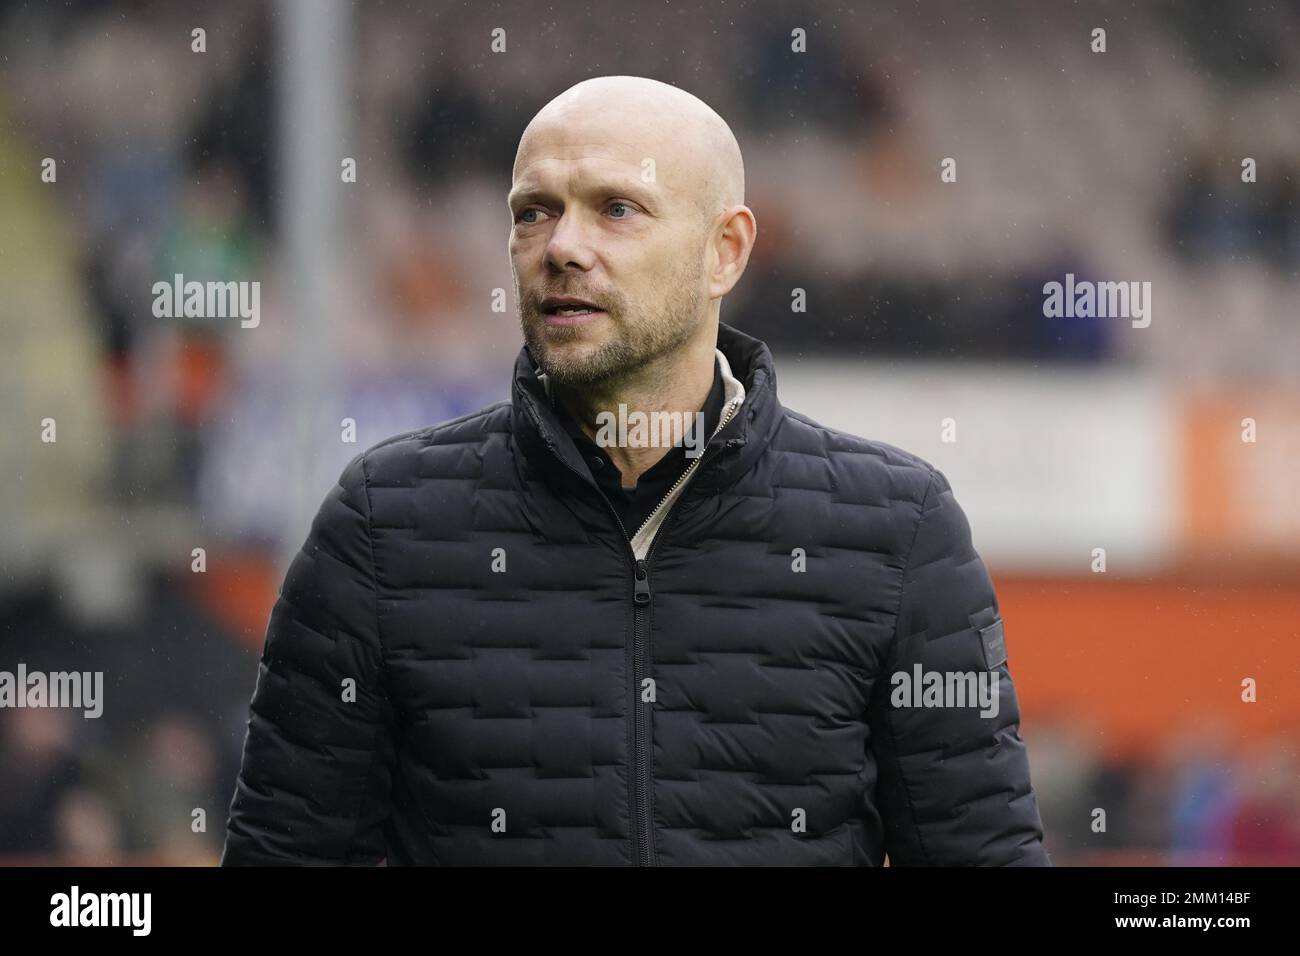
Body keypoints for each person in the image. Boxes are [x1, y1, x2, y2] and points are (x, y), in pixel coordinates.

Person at [222, 75, 1049, 866]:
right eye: (534, 212)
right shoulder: (382, 524)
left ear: (725, 250)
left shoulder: (897, 530)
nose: (563, 247)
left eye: (617, 209)